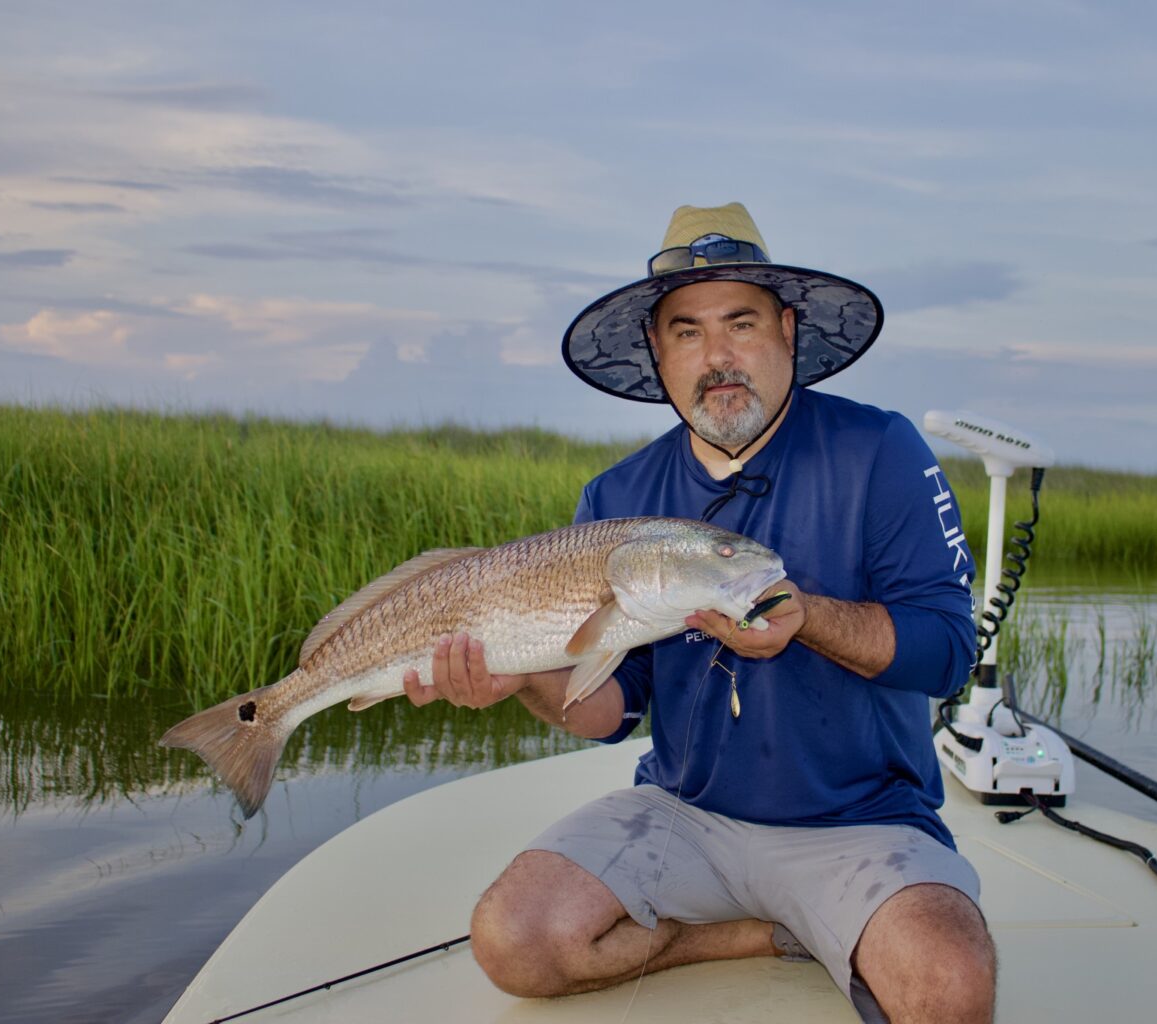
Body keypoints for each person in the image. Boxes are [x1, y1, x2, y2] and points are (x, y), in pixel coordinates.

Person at [404, 203, 995, 1023]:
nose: (717, 358)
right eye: (686, 331)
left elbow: (949, 651)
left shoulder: (881, 451)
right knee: (514, 940)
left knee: (951, 988)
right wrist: (520, 678)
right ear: (658, 352)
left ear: (788, 330)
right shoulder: (616, 499)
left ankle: (825, 915)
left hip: (862, 821)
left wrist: (809, 618)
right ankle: (765, 933)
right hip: (684, 816)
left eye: (740, 323)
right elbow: (612, 710)